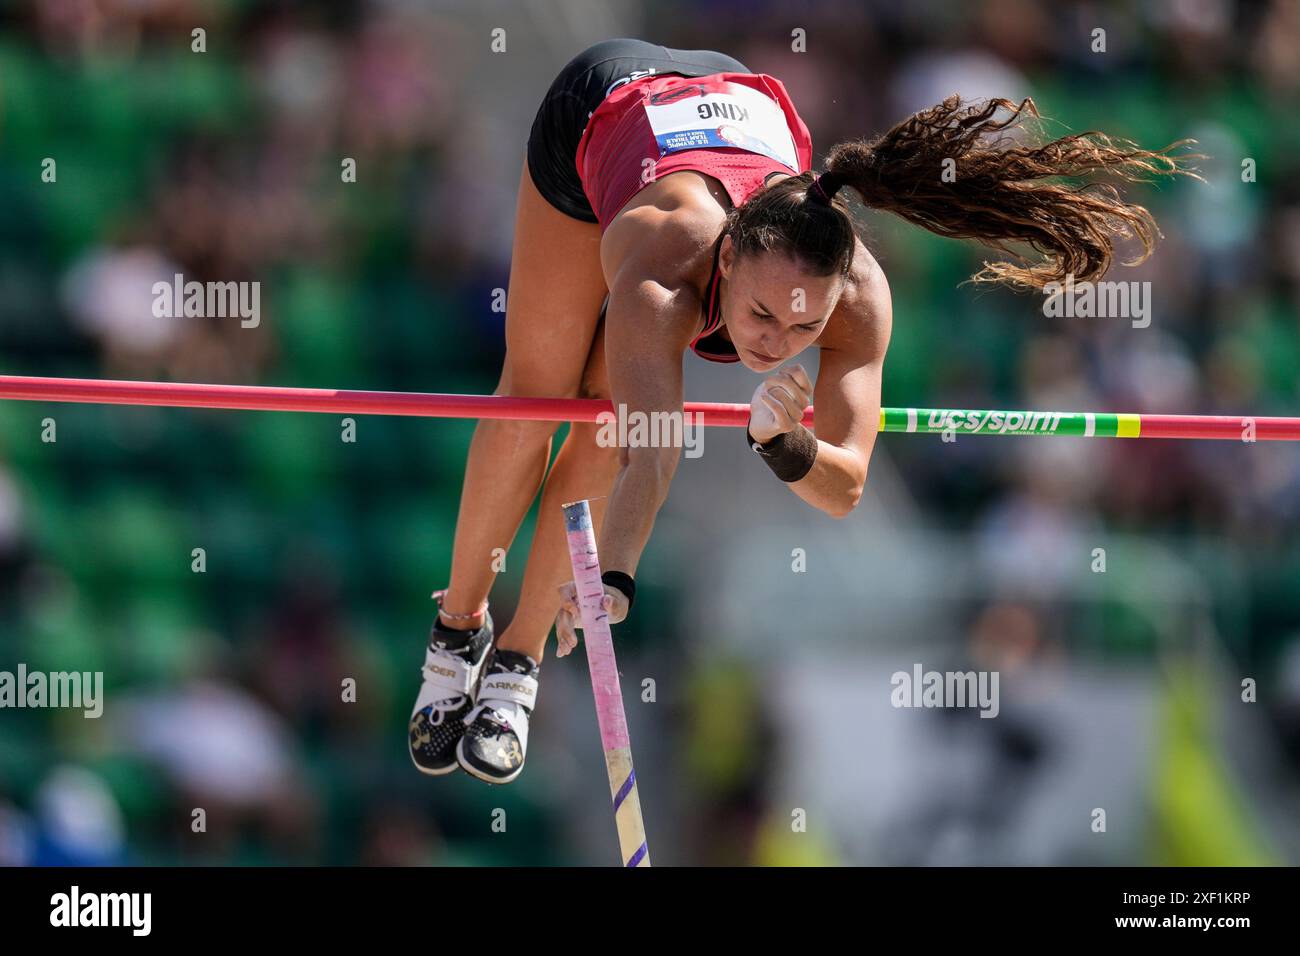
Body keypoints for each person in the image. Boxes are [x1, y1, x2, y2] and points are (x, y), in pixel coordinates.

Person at [408, 38, 1191, 784]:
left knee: (603, 412)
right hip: (601, 112)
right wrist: (615, 575)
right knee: (546, 403)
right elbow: (653, 448)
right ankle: (457, 636)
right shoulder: (665, 269)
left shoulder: (859, 298)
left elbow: (846, 487)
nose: (774, 344)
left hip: (736, 105)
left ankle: (517, 665)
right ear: (727, 259)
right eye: (757, 317)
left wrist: (787, 446)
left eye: (801, 326)